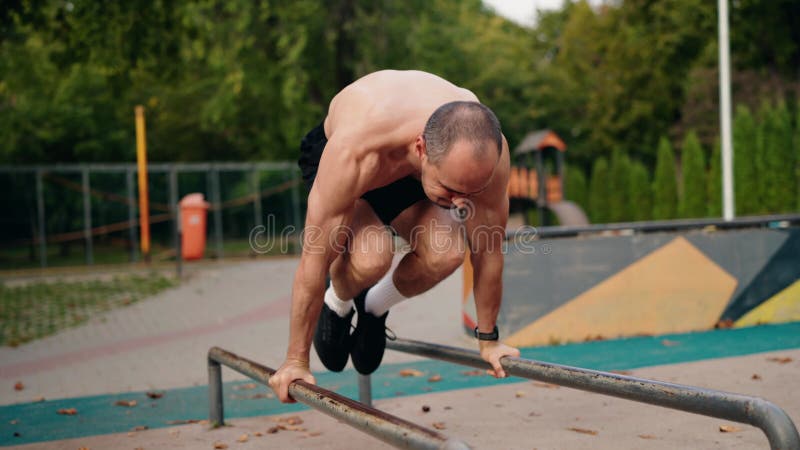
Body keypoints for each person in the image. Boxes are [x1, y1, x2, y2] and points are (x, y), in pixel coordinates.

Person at [268, 69, 520, 403]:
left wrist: (489, 339)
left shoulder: (489, 156)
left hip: (418, 171)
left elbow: (488, 253)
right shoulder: (355, 151)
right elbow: (313, 260)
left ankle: (373, 307)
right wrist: (295, 361)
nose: (462, 203)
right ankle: (339, 301)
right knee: (372, 258)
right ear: (421, 149)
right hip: (355, 151)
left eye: (472, 191)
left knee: (446, 253)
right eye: (453, 190)